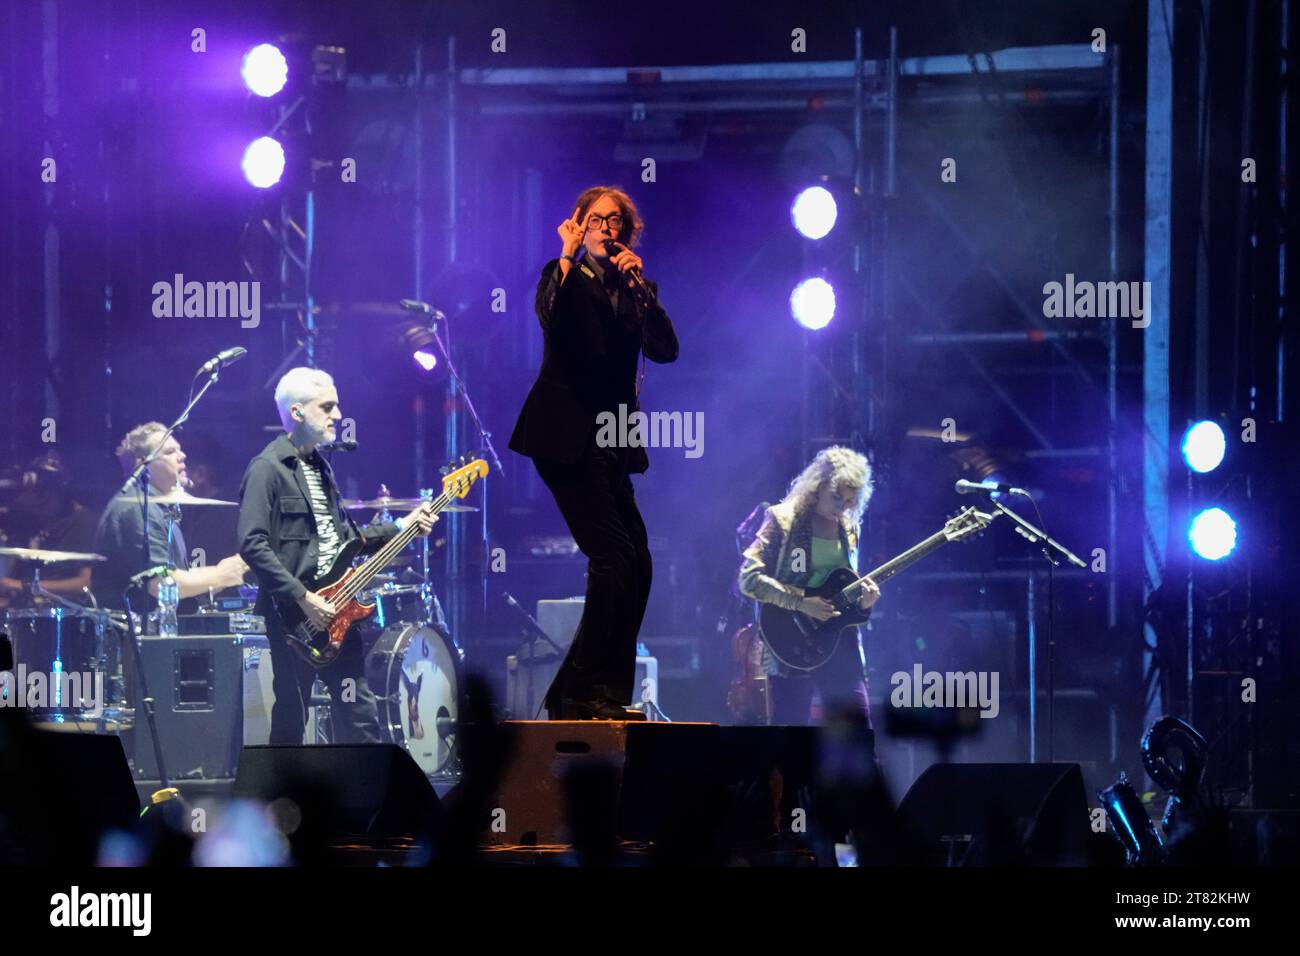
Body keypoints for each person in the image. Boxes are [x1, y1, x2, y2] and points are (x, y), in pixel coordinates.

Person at [509, 185, 679, 720]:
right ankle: (584, 693)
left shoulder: (635, 289)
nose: (608, 230)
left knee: (640, 561)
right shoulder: (562, 276)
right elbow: (548, 317)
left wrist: (642, 291)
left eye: (617, 224)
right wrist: (564, 255)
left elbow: (666, 350)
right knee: (613, 556)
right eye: (598, 221)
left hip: (611, 439)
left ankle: (595, 692)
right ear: (578, 226)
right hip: (563, 435)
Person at [237, 367, 436, 745]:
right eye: (327, 407)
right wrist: (303, 597)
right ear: (296, 413)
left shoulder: (321, 466)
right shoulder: (267, 469)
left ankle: (364, 799)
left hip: (340, 611)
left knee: (359, 714)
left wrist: (401, 526)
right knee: (292, 718)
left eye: (337, 406)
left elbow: (346, 539)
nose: (338, 416)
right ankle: (283, 801)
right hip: (295, 620)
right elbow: (252, 543)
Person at [738, 446, 882, 725]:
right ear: (816, 488)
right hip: (791, 640)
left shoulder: (850, 528)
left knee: (857, 734)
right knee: (791, 739)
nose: (842, 508)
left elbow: (842, 589)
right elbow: (748, 578)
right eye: (836, 498)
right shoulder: (783, 520)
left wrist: (865, 604)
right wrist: (801, 603)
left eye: (851, 501)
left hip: (840, 644)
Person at [91, 423, 247, 613]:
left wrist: (229, 569)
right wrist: (221, 576)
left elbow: (175, 575)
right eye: (170, 452)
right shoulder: (136, 509)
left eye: (180, 450)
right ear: (142, 465)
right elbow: (162, 584)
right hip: (132, 636)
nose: (182, 456)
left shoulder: (155, 506)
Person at [0, 453, 100, 608]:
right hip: (27, 613)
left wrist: (24, 586)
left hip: (65, 617)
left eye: (41, 501)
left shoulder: (85, 523)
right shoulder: (34, 522)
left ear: (58, 493)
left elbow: (85, 583)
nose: (37, 508)